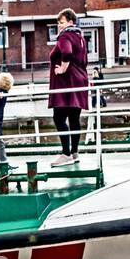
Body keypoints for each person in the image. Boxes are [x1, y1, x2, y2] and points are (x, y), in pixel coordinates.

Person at [48, 9, 88, 166]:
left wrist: (63, 69)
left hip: (66, 84)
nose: (59, 26)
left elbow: (67, 53)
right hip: (80, 82)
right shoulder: (80, 37)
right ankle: (75, 152)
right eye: (58, 23)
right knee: (74, 119)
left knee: (58, 118)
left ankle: (66, 153)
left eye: (62, 22)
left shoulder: (65, 36)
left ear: (71, 22)